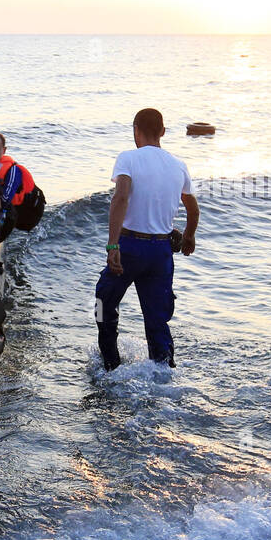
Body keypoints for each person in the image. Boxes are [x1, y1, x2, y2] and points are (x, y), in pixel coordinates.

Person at [94, 108, 199, 371]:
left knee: (101, 302)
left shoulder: (128, 159)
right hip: (161, 252)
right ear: (163, 131)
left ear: (135, 130)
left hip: (130, 247)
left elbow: (121, 197)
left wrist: (112, 245)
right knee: (157, 318)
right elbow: (193, 208)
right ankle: (164, 371)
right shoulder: (178, 165)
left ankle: (109, 363)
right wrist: (188, 236)